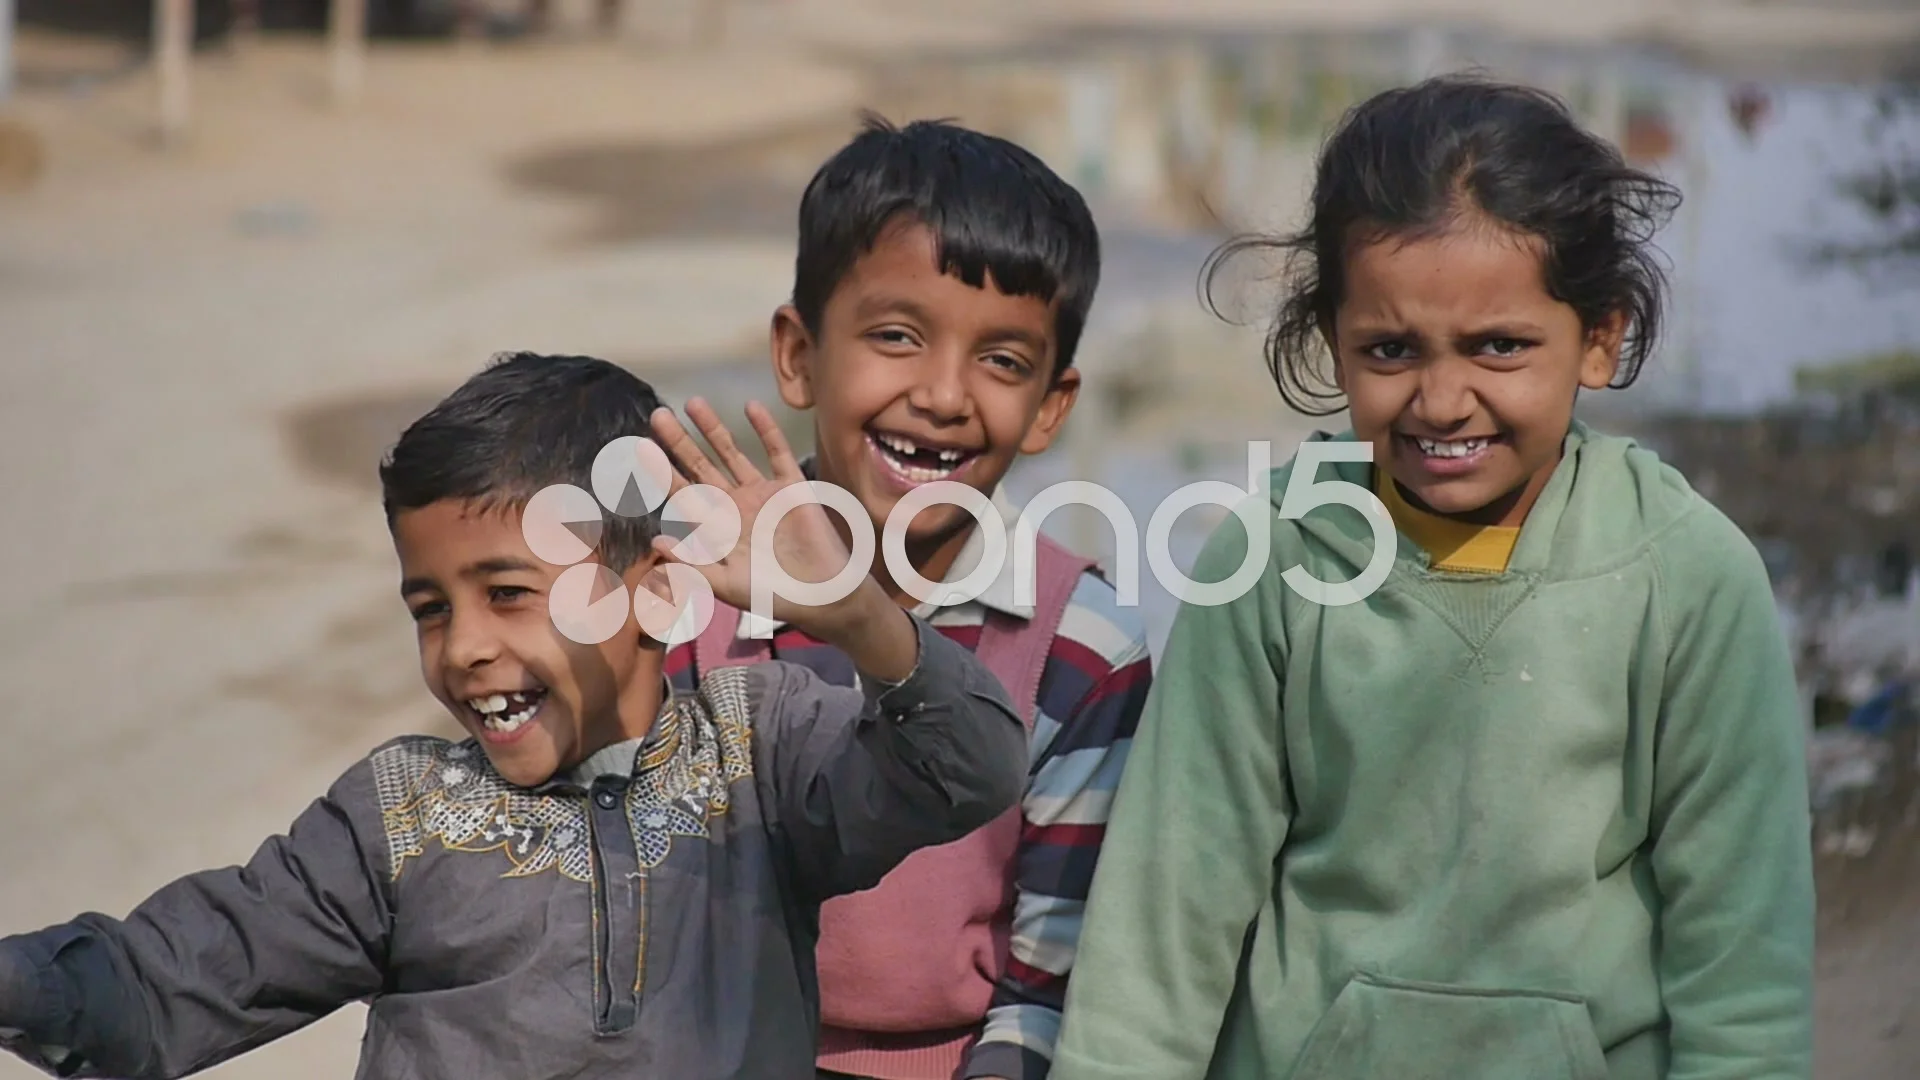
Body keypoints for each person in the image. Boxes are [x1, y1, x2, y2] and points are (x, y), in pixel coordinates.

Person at [1049, 75, 1816, 1080]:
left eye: (1499, 347)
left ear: (1600, 338)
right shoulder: (1274, 559)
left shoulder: (1687, 578)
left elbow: (1743, 976)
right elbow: (1165, 926)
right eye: (1390, 350)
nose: (1443, 400)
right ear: (1334, 344)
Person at [0, 352, 1029, 1080]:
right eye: (430, 608)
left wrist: (856, 614)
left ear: (652, 588)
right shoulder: (398, 819)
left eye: (506, 593)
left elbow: (969, 767)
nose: (462, 648)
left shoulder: (760, 755)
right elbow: (171, 979)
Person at [667, 116, 1154, 1080]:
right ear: (799, 354)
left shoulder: (1083, 645)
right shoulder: (690, 600)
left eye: (1002, 361)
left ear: (1052, 406)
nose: (942, 395)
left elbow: (1047, 986)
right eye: (896, 337)